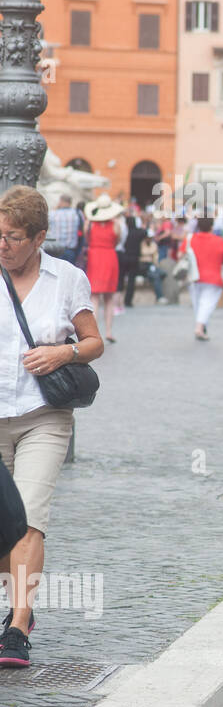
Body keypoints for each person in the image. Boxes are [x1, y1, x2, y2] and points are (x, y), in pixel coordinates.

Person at [0, 186, 104, 668]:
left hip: (44, 416)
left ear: (39, 237)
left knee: (27, 520)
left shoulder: (67, 279)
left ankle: (19, 624)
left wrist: (64, 351)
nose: (3, 244)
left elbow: (93, 342)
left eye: (14, 237)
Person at [179, 217, 223, 340]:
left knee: (198, 304)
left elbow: (180, 254)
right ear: (212, 227)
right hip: (213, 277)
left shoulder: (190, 239)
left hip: (194, 276)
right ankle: (200, 327)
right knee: (206, 304)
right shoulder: (219, 241)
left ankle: (201, 327)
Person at [82, 194, 124, 344]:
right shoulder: (116, 224)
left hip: (94, 256)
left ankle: (94, 332)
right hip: (110, 257)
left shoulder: (89, 224)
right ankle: (108, 331)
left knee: (94, 298)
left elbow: (87, 240)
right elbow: (117, 241)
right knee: (109, 297)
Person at [45, 195, 80, 265]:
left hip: (55, 250)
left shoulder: (53, 214)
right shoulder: (76, 214)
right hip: (71, 250)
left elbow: (46, 225)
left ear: (61, 202)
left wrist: (56, 208)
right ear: (70, 203)